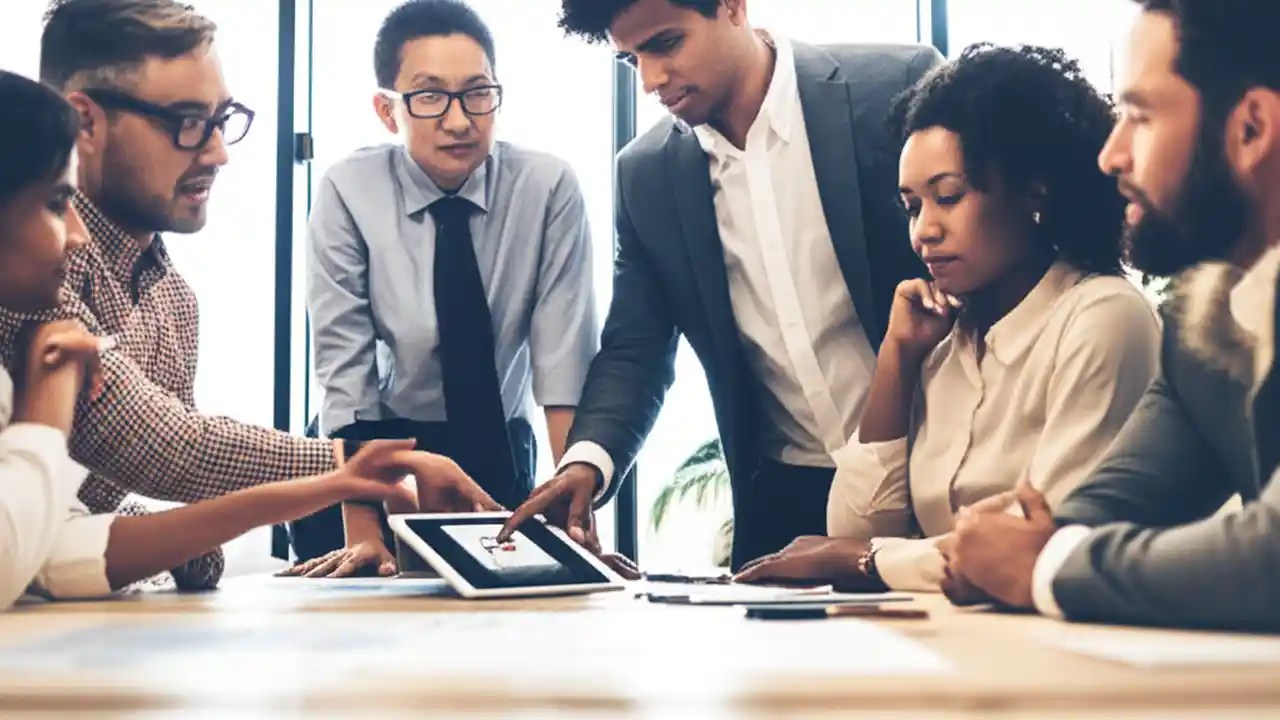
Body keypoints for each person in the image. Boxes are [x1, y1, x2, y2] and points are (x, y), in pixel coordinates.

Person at [0, 70, 501, 610]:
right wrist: (47, 401)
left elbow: (57, 547)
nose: (76, 234)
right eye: (56, 203)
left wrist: (339, 482)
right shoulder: (44, 316)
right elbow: (160, 458)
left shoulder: (171, 299)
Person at [500, 0, 944, 569]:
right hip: (785, 504)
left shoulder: (895, 88)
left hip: (939, 468)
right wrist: (585, 462)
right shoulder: (647, 174)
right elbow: (636, 346)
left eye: (665, 44)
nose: (651, 79)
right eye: (631, 59)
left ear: (733, 6)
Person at [733, 44, 1160, 592]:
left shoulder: (1103, 318)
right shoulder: (939, 343)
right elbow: (853, 527)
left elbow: (1038, 545)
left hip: (1065, 656)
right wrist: (897, 359)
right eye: (912, 206)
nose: (923, 231)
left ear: (1036, 192)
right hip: (947, 648)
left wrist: (867, 561)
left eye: (949, 197)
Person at [0, 0, 366, 588]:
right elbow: (167, 450)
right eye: (187, 122)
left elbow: (76, 519)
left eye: (223, 120)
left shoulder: (174, 300)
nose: (218, 151)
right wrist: (354, 468)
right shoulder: (30, 270)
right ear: (84, 122)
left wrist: (186, 544)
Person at [944, 0, 1280, 632]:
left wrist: (1046, 568)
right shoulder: (1204, 322)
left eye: (1139, 115)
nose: (1111, 155)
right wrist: (1003, 548)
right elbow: (1106, 508)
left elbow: (1272, 558)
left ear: (1252, 129)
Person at [295, 0, 598, 576]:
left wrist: (579, 520)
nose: (459, 121)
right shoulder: (348, 190)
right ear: (389, 111)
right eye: (429, 96)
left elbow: (562, 364)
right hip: (370, 452)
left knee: (503, 635)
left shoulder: (546, 187)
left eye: (477, 93)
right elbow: (345, 370)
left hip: (495, 445)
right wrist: (363, 530)